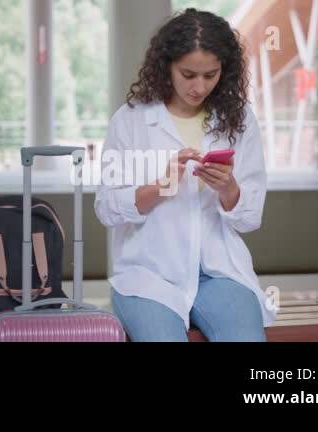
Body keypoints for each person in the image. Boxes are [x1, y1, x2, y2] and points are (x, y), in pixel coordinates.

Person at [94, 8, 275, 342]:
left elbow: (250, 218)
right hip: (148, 275)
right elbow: (106, 208)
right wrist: (161, 187)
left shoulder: (240, 120)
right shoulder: (130, 121)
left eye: (211, 74)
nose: (199, 86)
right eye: (188, 74)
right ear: (167, 66)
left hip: (220, 273)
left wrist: (228, 189)